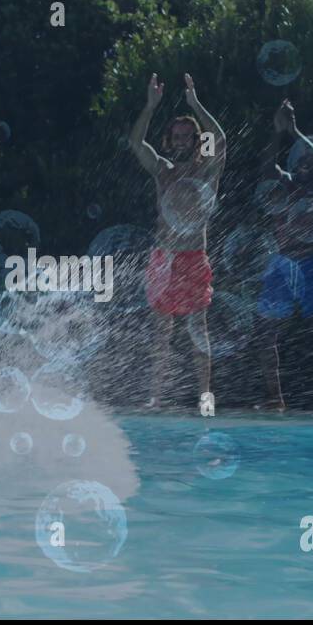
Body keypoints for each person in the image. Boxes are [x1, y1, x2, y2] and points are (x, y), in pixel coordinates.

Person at [130, 73, 226, 409]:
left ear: (198, 140)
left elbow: (221, 139)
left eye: (189, 135)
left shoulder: (207, 171)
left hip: (193, 257)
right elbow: (136, 143)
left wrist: (195, 103)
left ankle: (205, 399)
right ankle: (156, 397)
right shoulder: (163, 169)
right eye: (177, 135)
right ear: (170, 141)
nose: (183, 139)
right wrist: (150, 106)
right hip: (164, 258)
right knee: (161, 333)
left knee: (198, 331)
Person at [254, 99, 313, 411]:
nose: (305, 159)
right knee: (266, 332)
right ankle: (273, 398)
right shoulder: (287, 184)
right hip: (281, 264)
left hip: (311, 262)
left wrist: (295, 132)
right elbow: (267, 168)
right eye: (301, 156)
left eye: (311, 154)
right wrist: (278, 132)